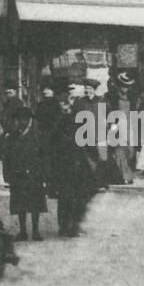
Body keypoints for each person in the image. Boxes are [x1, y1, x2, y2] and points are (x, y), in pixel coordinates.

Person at [44, 81, 97, 236]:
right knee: (66, 195)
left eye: (74, 99)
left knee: (77, 195)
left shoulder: (82, 116)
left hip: (79, 162)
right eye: (70, 99)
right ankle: (65, 226)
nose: (71, 102)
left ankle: (72, 225)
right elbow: (52, 140)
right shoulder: (61, 118)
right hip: (65, 162)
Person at [3, 105, 46, 240]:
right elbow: (7, 157)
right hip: (17, 175)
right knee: (19, 203)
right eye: (18, 119)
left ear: (29, 120)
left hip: (34, 175)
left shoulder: (37, 136)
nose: (20, 122)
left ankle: (35, 230)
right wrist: (7, 174)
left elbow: (44, 157)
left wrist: (44, 175)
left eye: (24, 119)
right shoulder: (11, 137)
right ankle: (22, 231)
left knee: (35, 204)